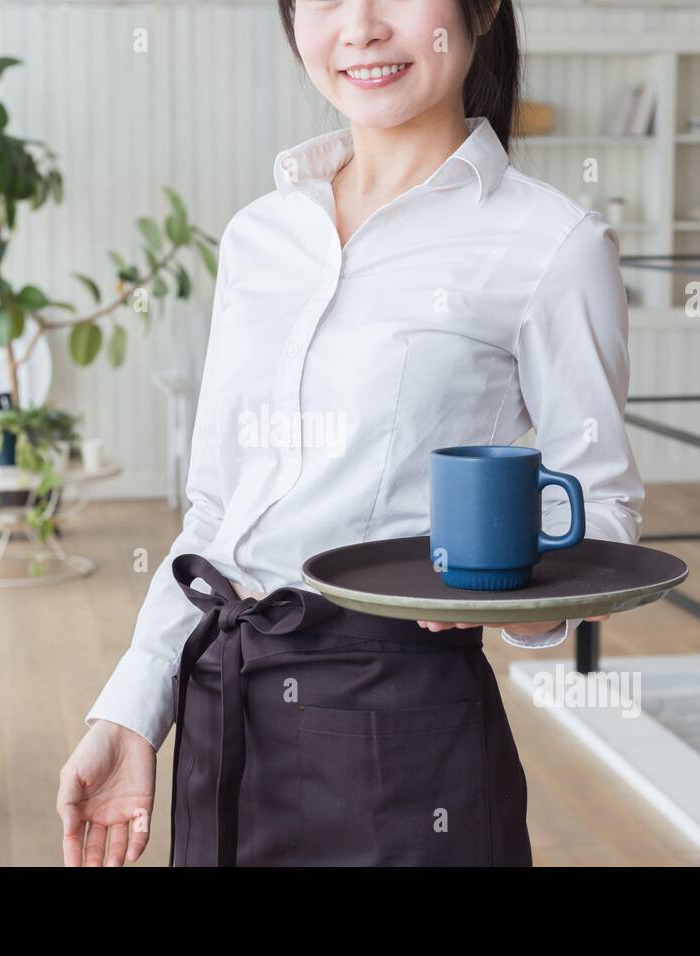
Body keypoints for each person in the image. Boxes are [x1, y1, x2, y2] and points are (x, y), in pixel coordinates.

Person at [58, 0, 644, 867]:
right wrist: (131, 712)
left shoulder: (551, 246)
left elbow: (602, 512)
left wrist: (503, 592)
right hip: (225, 708)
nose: (360, 26)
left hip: (404, 733)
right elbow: (217, 510)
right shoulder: (262, 236)